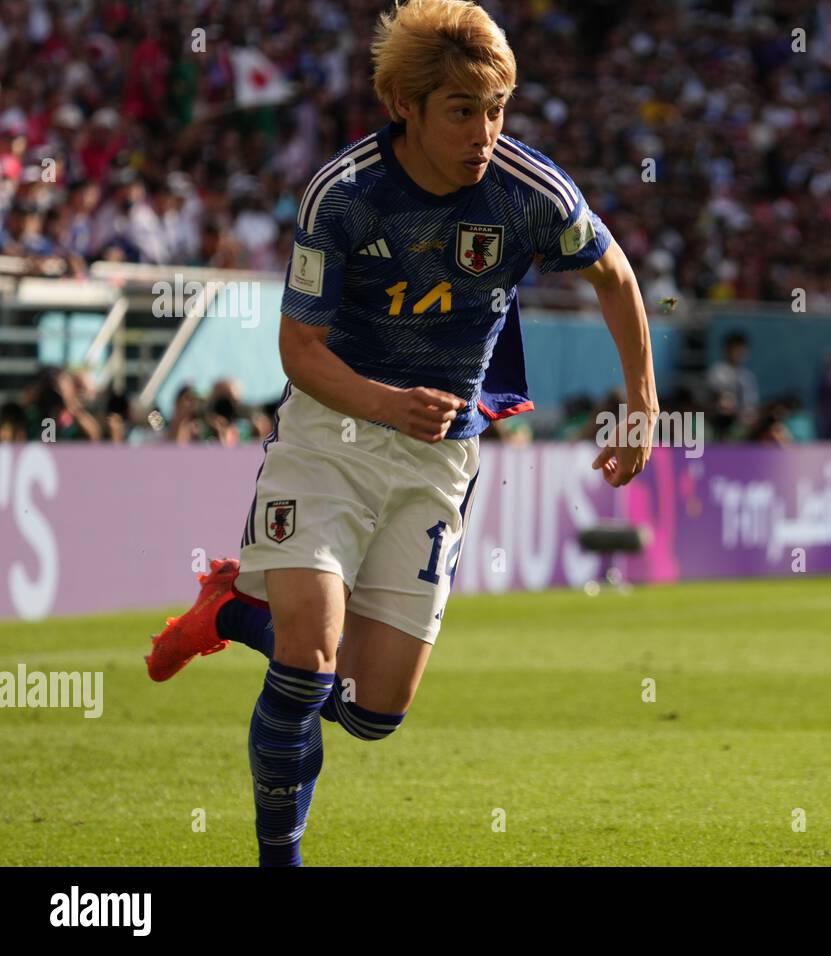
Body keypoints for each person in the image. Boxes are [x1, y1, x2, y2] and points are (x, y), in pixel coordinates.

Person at [143, 0, 658, 867]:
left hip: (440, 454)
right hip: (331, 437)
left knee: (373, 712)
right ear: (405, 107)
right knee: (307, 660)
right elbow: (297, 351)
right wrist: (385, 403)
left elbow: (612, 270)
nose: (485, 132)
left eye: (497, 110)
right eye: (463, 111)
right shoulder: (344, 194)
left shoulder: (528, 192)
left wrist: (640, 398)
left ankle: (233, 610)